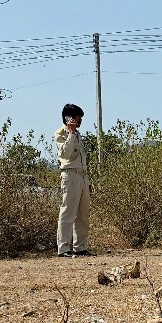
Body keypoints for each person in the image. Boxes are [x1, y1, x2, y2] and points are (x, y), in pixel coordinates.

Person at [54, 103, 92, 257]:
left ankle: (80, 247)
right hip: (69, 175)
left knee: (83, 214)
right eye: (78, 117)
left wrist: (88, 181)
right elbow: (66, 154)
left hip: (82, 176)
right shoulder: (60, 134)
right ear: (69, 118)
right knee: (67, 213)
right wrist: (70, 133)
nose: (80, 120)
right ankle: (63, 248)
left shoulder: (78, 134)